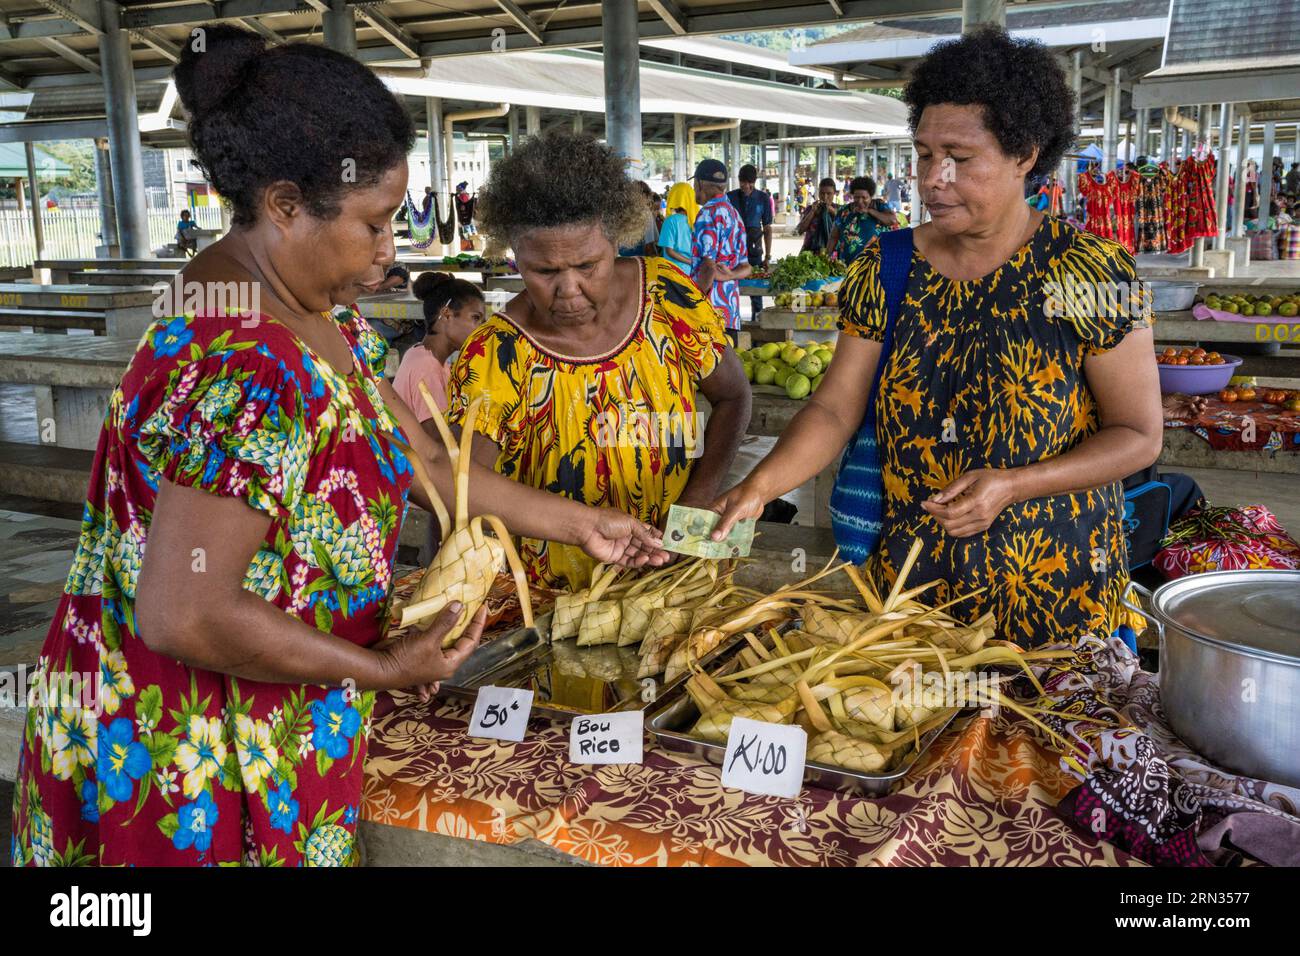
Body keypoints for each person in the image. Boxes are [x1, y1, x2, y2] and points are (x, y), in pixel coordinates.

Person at [10, 26, 664, 869]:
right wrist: (385, 668)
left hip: (250, 704)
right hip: (196, 743)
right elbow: (184, 611)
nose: (391, 251)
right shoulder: (250, 359)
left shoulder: (311, 311)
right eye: (375, 223)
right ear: (284, 205)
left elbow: (429, 465)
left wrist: (581, 524)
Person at [709, 26, 1163, 649]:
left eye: (960, 157)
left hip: (1056, 587)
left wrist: (1013, 483)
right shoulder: (888, 265)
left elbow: (1139, 435)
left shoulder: (1087, 270)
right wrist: (759, 487)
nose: (932, 178)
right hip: (909, 592)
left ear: (1026, 155)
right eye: (923, 154)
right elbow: (835, 408)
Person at [447, 131, 752, 590]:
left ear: (616, 240)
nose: (569, 289)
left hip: (676, 576)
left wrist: (694, 505)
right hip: (556, 598)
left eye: (588, 266)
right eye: (544, 271)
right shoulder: (495, 355)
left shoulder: (668, 297)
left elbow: (733, 396)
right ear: (515, 256)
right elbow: (458, 485)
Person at [690, 158, 751, 343]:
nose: (693, 188)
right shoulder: (734, 214)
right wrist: (729, 275)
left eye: (694, 183)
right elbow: (747, 267)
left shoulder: (707, 214)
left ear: (700, 183)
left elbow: (708, 267)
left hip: (710, 314)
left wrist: (693, 304)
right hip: (730, 313)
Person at [727, 163, 773, 319]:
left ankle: (757, 322)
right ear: (739, 180)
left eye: (750, 182)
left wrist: (767, 256)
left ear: (755, 181)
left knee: (756, 290)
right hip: (732, 252)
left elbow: (767, 228)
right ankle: (733, 322)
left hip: (754, 251)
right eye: (743, 182)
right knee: (732, 288)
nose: (746, 186)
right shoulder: (730, 197)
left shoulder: (763, 198)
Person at [828, 176, 897, 264]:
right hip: (846, 266)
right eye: (856, 197)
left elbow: (892, 220)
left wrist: (869, 211)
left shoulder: (879, 206)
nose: (860, 201)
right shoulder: (844, 211)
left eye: (864, 198)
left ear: (871, 196)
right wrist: (826, 257)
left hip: (875, 266)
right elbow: (833, 237)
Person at [657, 181, 699, 269]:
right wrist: (693, 263)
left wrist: (690, 262)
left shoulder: (670, 221)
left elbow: (669, 251)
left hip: (674, 273)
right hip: (694, 272)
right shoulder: (697, 220)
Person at [796, 177, 839, 252]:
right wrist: (812, 212)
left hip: (832, 253)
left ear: (834, 193)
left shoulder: (840, 210)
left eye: (829, 194)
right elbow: (800, 230)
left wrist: (832, 211)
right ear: (818, 193)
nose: (825, 197)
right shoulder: (810, 209)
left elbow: (846, 229)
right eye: (822, 193)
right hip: (810, 252)